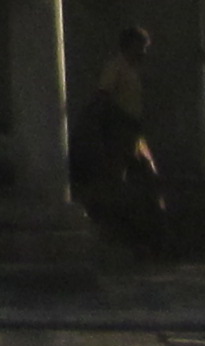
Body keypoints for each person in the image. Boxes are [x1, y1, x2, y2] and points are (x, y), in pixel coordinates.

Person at [69, 23, 162, 212]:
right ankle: (107, 212)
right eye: (141, 47)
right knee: (117, 174)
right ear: (131, 45)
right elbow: (103, 95)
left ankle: (153, 212)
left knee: (147, 172)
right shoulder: (116, 68)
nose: (144, 52)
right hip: (120, 128)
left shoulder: (132, 70)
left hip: (133, 129)